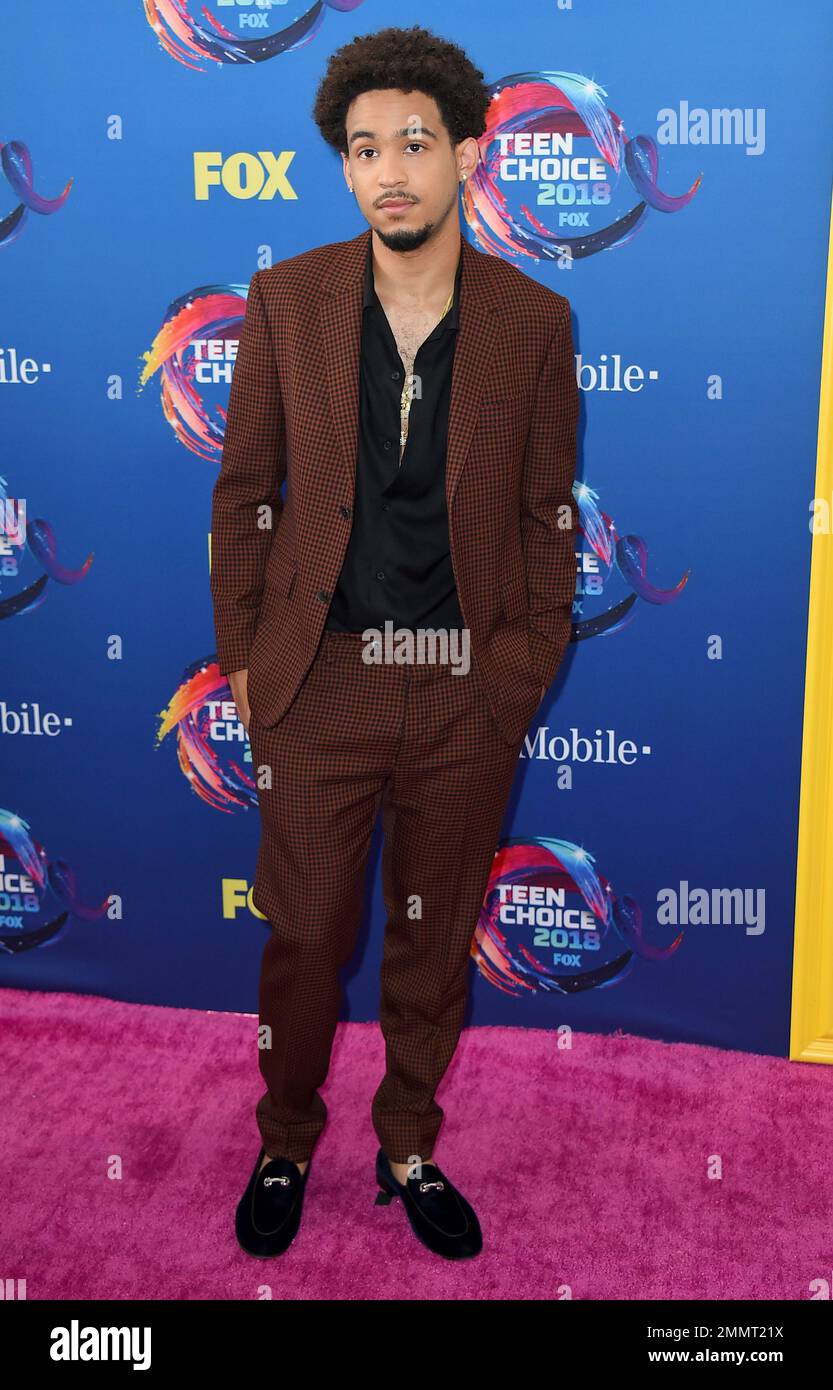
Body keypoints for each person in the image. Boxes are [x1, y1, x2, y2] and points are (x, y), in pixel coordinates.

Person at [210, 23, 579, 1261]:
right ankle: (283, 1135)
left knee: (430, 945)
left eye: (414, 143)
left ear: (468, 154)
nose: (389, 172)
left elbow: (543, 515)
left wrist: (517, 676)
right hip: (317, 688)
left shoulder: (533, 322)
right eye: (364, 149)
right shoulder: (287, 299)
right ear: (346, 168)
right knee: (306, 937)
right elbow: (244, 490)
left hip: (464, 693)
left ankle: (408, 1140)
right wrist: (250, 665)